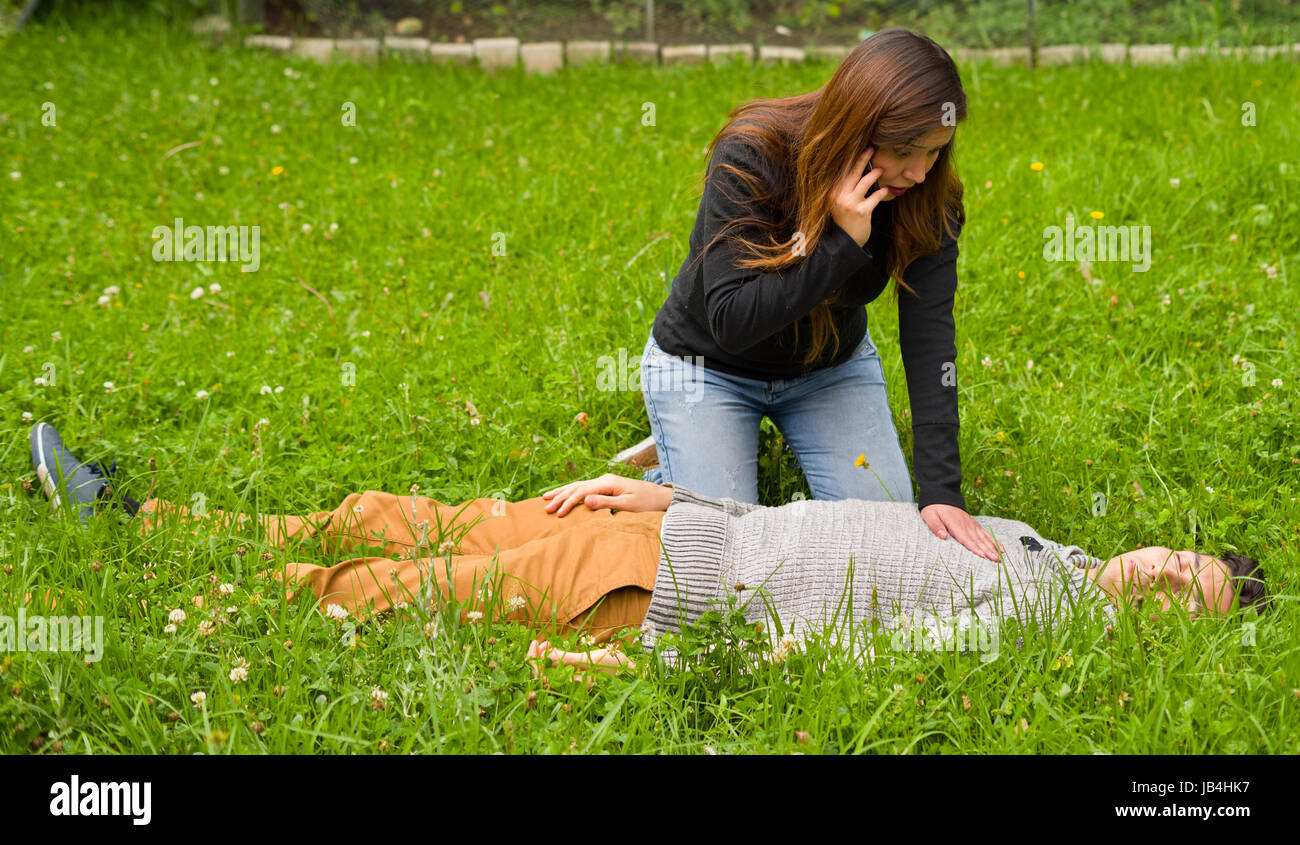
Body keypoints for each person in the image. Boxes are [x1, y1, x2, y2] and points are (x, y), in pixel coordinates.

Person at [30, 423, 1269, 673]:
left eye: (1182, 604)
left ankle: (198, 613)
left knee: (401, 589)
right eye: (1184, 562)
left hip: (667, 590)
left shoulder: (1032, 623)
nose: (1163, 577)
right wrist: (665, 489)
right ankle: (150, 527)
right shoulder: (1035, 546)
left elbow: (839, 655)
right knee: (397, 509)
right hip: (678, 523)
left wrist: (658, 670)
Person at [632, 27, 1000, 563]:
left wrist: (942, 491)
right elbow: (732, 319)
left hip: (828, 373)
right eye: (904, 151)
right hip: (707, 366)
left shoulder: (927, 197)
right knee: (730, 548)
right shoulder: (754, 152)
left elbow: (930, 342)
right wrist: (840, 244)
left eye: (934, 151)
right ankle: (676, 464)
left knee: (885, 542)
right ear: (857, 126)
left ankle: (711, 452)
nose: (919, 172)